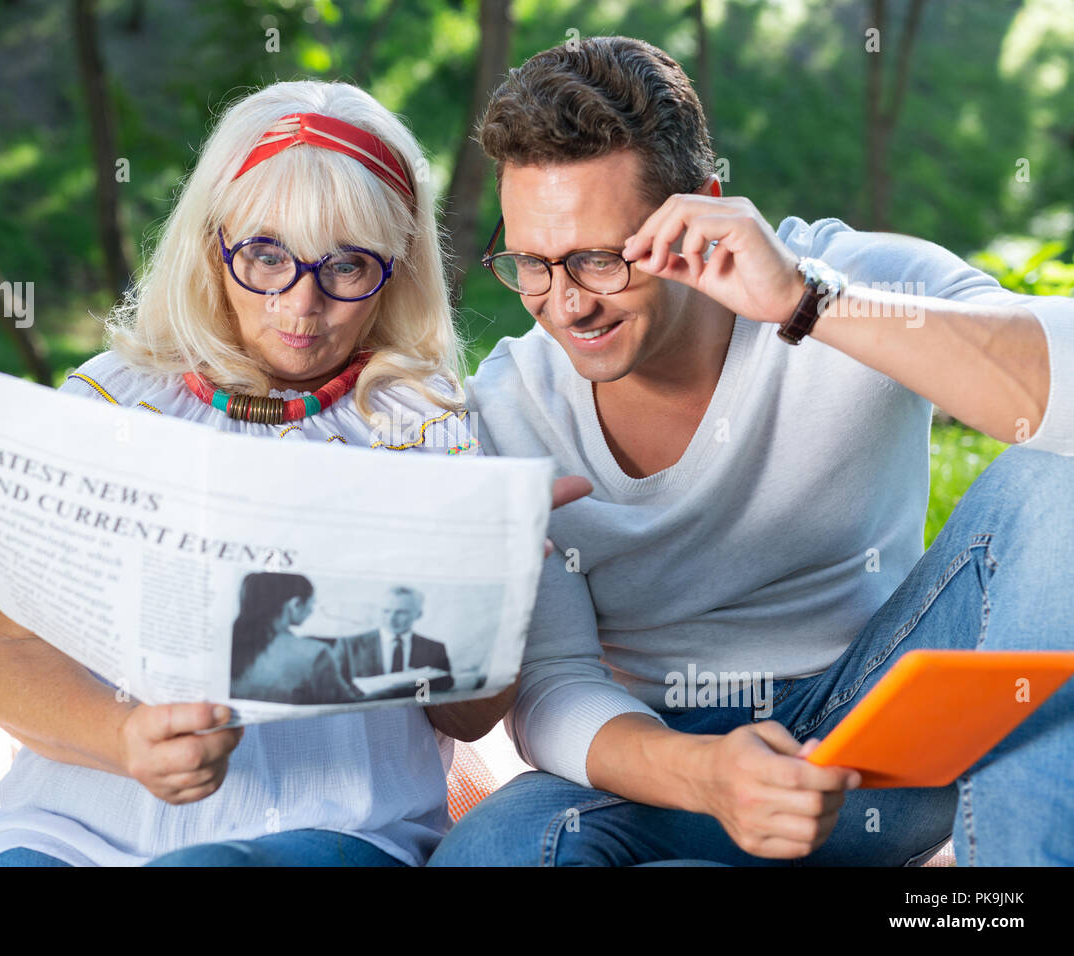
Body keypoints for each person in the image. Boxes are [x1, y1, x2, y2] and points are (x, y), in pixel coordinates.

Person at [429, 36, 1074, 867]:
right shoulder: (512, 408)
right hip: (665, 773)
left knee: (1055, 484)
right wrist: (707, 776)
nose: (567, 305)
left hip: (877, 751)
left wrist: (806, 302)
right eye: (533, 264)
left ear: (701, 208)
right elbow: (553, 684)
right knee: (497, 849)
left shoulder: (846, 279)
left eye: (599, 259)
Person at [0, 79, 528, 868]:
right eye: (266, 256)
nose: (302, 305)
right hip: (76, 826)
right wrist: (125, 738)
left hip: (329, 824)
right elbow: (5, 664)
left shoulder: (421, 428)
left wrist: (492, 591)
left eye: (349, 267)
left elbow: (469, 722)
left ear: (396, 272)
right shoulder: (114, 402)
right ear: (209, 244)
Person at [230, 573, 364, 705]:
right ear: (296, 605)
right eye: (312, 603)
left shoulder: (229, 646)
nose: (312, 610)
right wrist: (385, 691)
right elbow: (347, 708)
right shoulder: (315, 654)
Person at [321, 586, 454, 695]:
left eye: (401, 612)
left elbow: (438, 689)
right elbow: (333, 689)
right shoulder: (348, 645)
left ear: (418, 614)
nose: (391, 618)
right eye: (386, 611)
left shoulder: (435, 649)